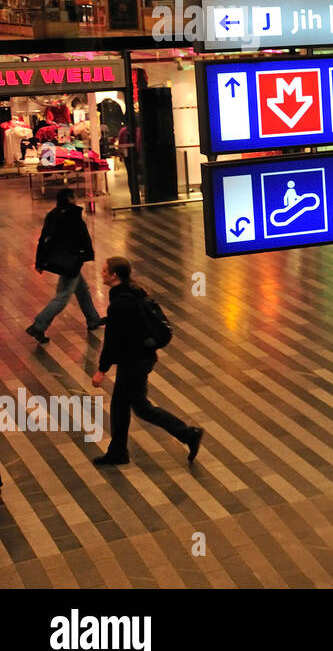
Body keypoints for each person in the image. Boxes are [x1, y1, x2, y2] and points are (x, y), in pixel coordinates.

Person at [91, 257, 203, 467]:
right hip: (139, 357)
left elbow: (112, 340)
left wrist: (101, 370)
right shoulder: (132, 294)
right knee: (120, 405)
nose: (102, 274)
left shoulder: (120, 303)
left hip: (133, 361)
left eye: (105, 271)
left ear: (114, 275)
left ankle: (188, 433)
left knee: (141, 407)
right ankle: (117, 451)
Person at [26, 188, 104, 344]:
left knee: (82, 289)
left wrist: (40, 261)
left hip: (60, 260)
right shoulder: (72, 215)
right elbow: (83, 236)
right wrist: (88, 254)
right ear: (70, 199)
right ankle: (39, 325)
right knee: (63, 295)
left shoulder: (52, 215)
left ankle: (93, 319)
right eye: (74, 197)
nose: (76, 200)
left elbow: (44, 238)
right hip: (71, 261)